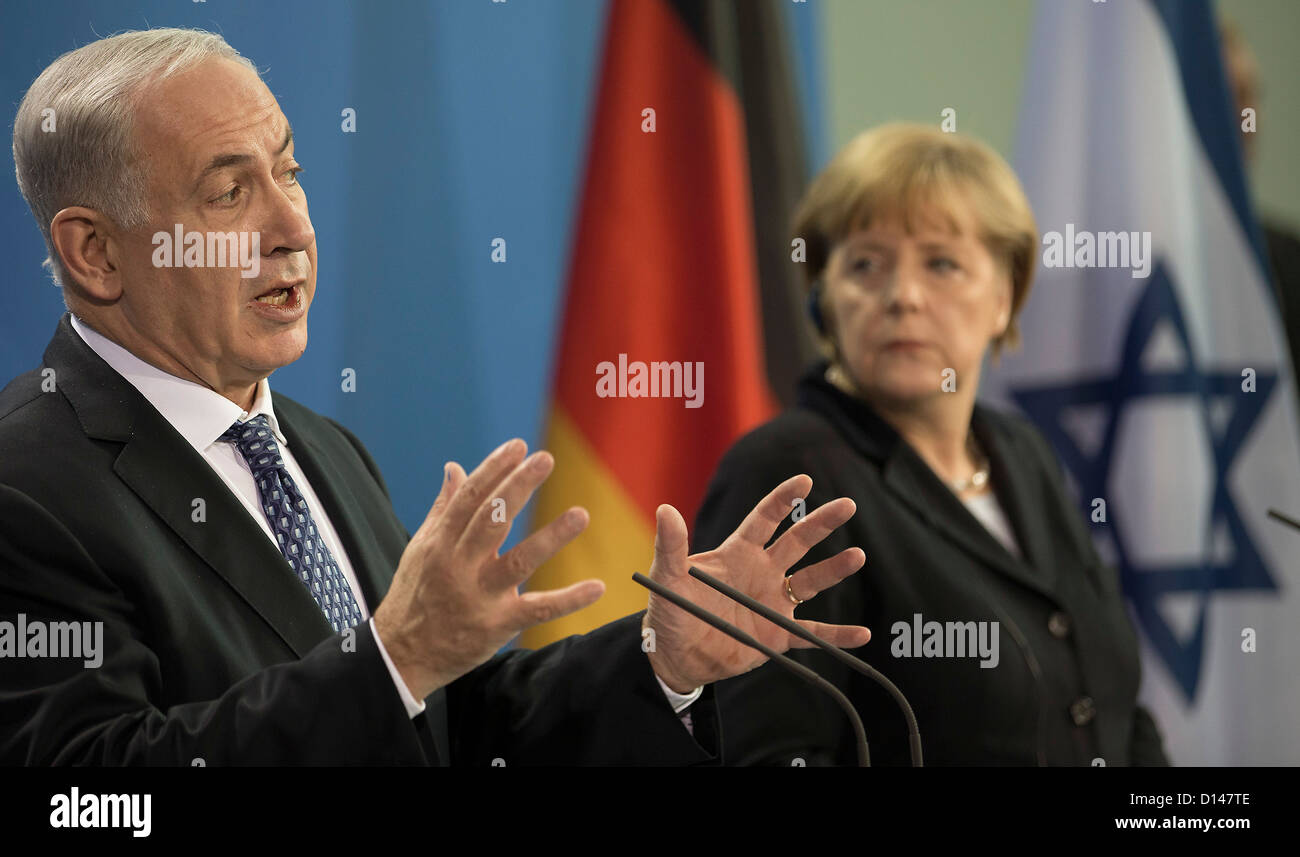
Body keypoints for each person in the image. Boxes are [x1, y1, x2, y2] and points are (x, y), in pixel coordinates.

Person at [0, 28, 871, 765]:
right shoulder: (25, 485)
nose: (293, 226)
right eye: (230, 193)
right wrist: (396, 658)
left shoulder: (322, 448)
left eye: (289, 172)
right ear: (96, 254)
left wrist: (659, 658)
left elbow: (445, 726)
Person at [694, 123, 1169, 766]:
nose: (903, 297)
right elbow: (770, 752)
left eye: (941, 263)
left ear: (1004, 298)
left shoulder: (1021, 453)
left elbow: (1116, 709)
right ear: (824, 301)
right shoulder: (788, 473)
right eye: (865, 265)